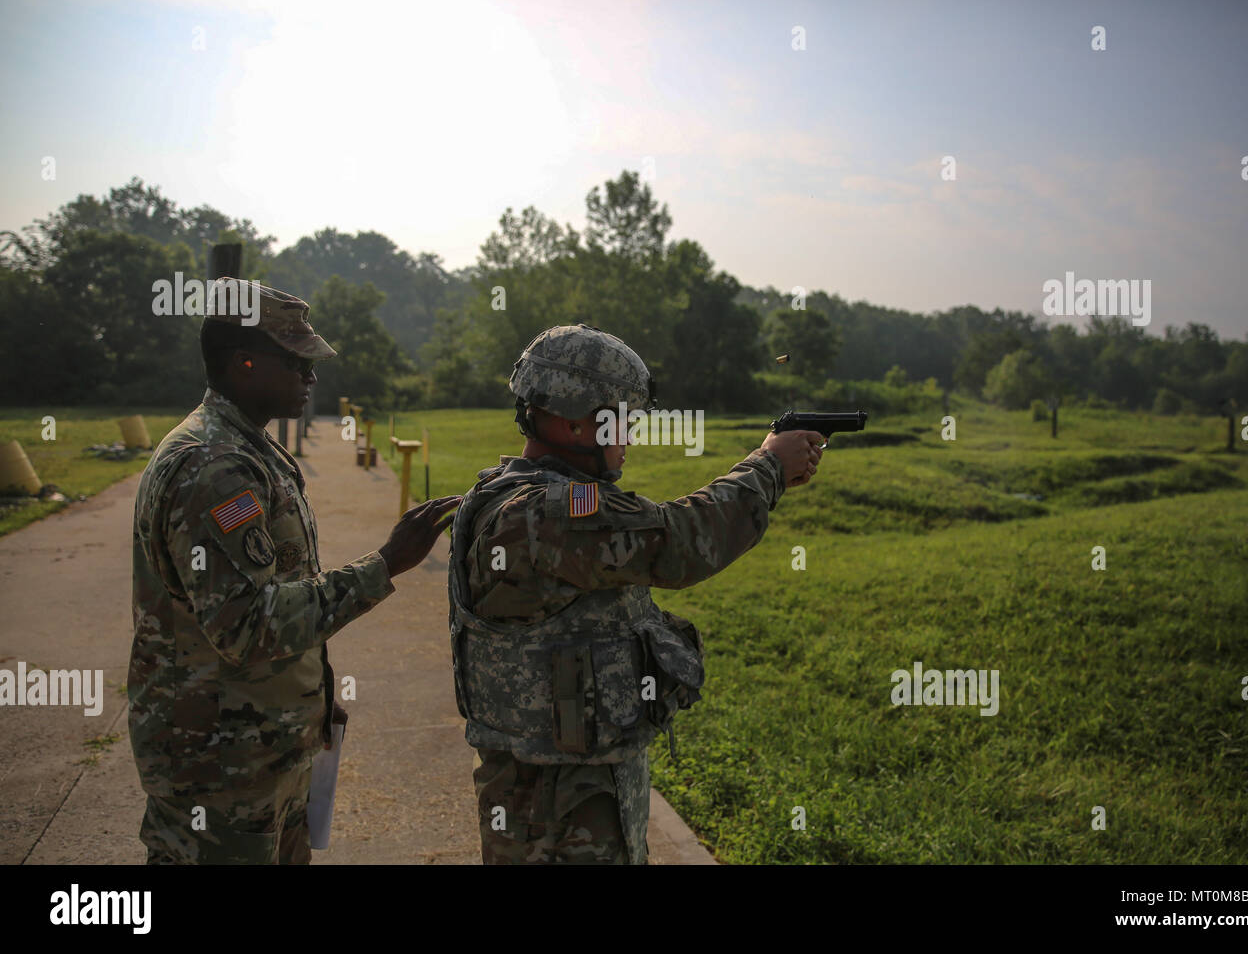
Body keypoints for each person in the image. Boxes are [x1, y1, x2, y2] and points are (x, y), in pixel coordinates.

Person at [448, 323, 825, 864]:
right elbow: (679, 542)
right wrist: (768, 466)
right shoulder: (550, 513)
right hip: (561, 810)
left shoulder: (512, 492)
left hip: (559, 790)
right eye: (622, 419)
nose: (630, 434)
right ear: (576, 420)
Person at [129, 277, 459, 864]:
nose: (311, 376)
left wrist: (315, 693)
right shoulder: (214, 468)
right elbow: (249, 626)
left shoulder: (248, 448)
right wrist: (385, 564)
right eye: (297, 361)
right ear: (244, 363)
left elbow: (280, 589)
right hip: (219, 763)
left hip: (262, 742)